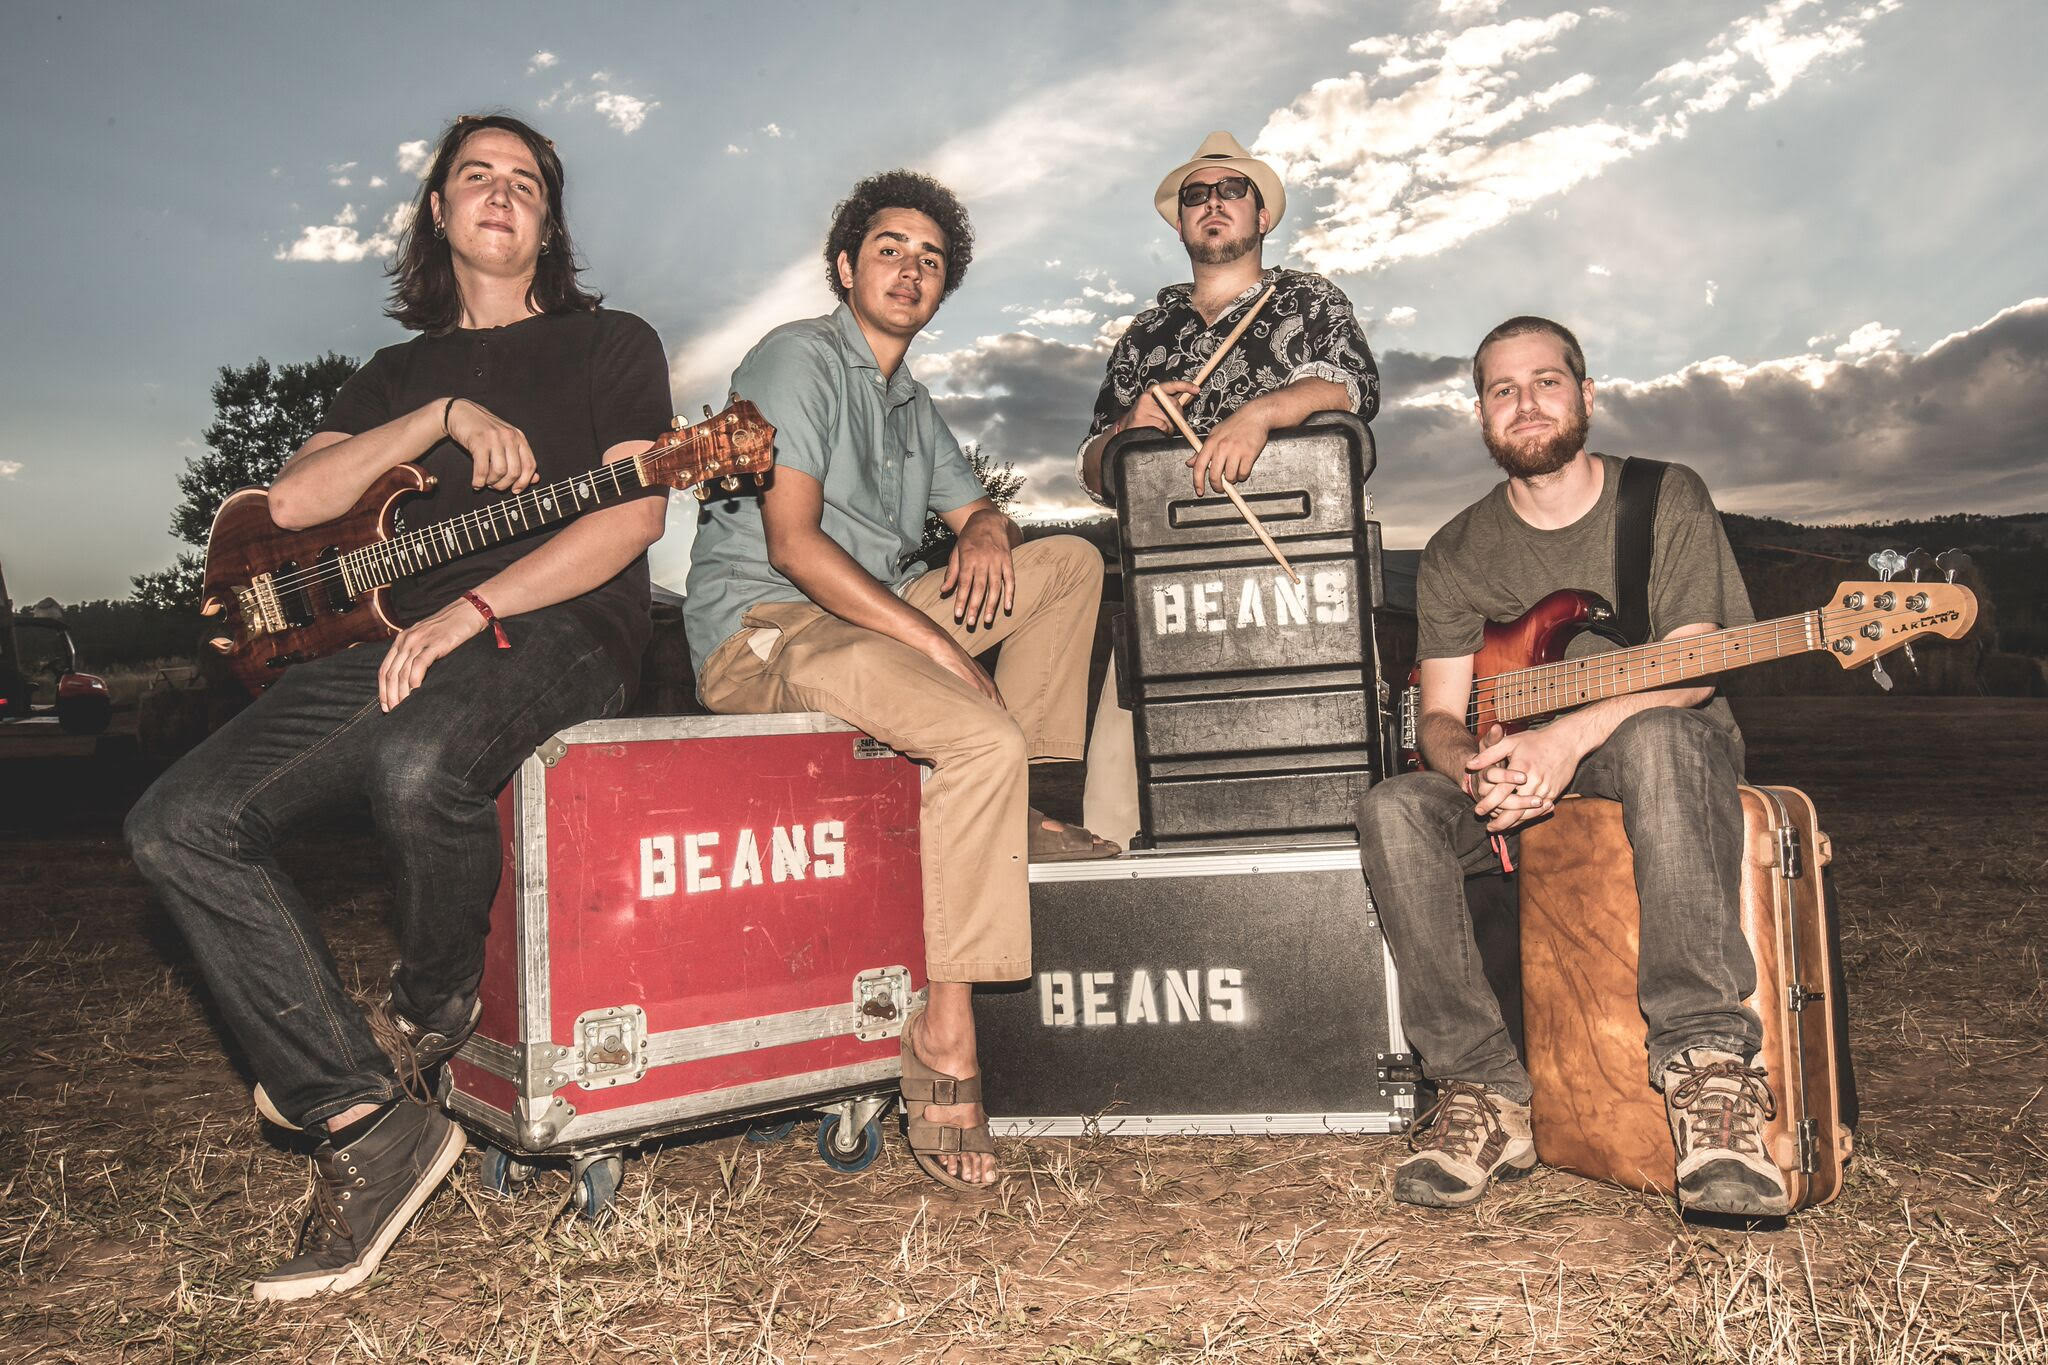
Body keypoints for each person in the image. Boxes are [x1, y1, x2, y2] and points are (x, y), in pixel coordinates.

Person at [125, 113, 674, 1297]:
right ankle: (366, 1120)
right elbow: (291, 502)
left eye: (525, 181)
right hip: (390, 641)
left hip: (561, 625)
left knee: (419, 764)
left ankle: (427, 1012)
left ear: (549, 220)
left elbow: (633, 514)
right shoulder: (393, 377)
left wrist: (473, 612)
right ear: (438, 209)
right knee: (177, 823)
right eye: (476, 174)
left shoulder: (610, 342)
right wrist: (440, 416)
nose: (500, 192)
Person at [683, 171, 1111, 1190]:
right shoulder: (795, 358)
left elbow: (975, 511)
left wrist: (990, 529)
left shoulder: (913, 403)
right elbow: (792, 545)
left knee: (1067, 565)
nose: (910, 268)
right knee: (977, 733)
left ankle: (1017, 802)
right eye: (889, 249)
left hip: (871, 615)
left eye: (930, 258)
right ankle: (944, 1033)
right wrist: (942, 651)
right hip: (770, 626)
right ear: (845, 267)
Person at [1355, 315, 1788, 1216]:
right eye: (1503, 389)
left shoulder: (1664, 498)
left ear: (1585, 396)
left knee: (1658, 736)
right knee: (1394, 808)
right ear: (1481, 412)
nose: (1526, 403)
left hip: (1663, 760)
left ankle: (1708, 1073)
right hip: (1521, 784)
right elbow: (1439, 716)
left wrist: (1565, 738)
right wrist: (1479, 768)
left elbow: (1693, 670)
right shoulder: (1456, 550)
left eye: (1546, 382)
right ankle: (1483, 1090)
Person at [1075, 131, 1379, 848]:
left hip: (1296, 581)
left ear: (1262, 215)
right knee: (1116, 805)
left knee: (1314, 771)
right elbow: (1092, 471)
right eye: (1196, 195)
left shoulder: (1310, 300)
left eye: (1232, 190)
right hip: (1167, 594)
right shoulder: (1144, 336)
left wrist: (1262, 413)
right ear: (1181, 223)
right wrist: (1125, 429)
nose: (1213, 203)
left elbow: (1354, 389)